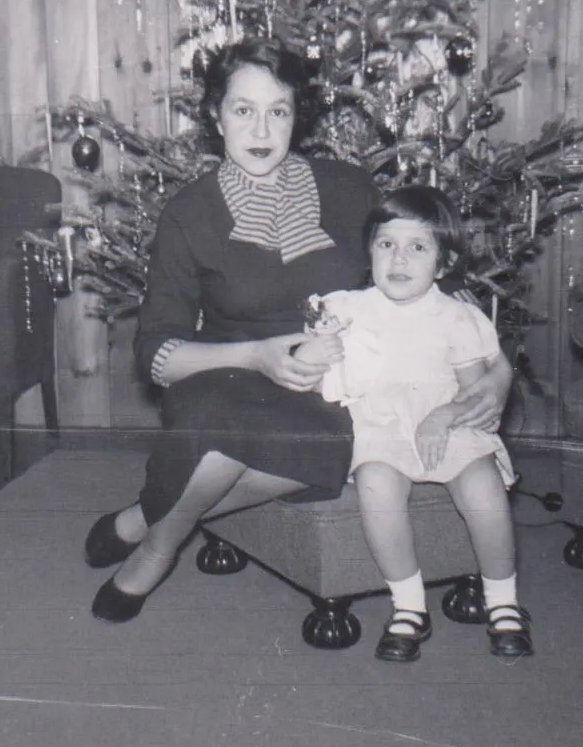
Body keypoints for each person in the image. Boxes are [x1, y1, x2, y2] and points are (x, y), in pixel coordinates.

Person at [82, 39, 513, 623]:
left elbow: (421, 270)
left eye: (278, 111)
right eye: (243, 110)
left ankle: (147, 523)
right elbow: (156, 354)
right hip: (227, 371)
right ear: (215, 116)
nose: (261, 129)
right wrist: (259, 356)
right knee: (219, 425)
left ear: (296, 117)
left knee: (338, 438)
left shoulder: (347, 189)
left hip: (334, 380)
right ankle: (159, 550)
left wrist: (498, 372)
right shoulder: (190, 213)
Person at [310, 186, 532, 662]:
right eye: (387, 244)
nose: (399, 259)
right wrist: (316, 347)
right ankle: (408, 604)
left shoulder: (458, 318)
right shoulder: (348, 308)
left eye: (418, 247)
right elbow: (315, 359)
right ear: (370, 251)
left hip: (447, 424)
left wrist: (444, 416)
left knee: (483, 488)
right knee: (376, 485)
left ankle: (503, 600)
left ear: (444, 262)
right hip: (382, 429)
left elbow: (477, 391)